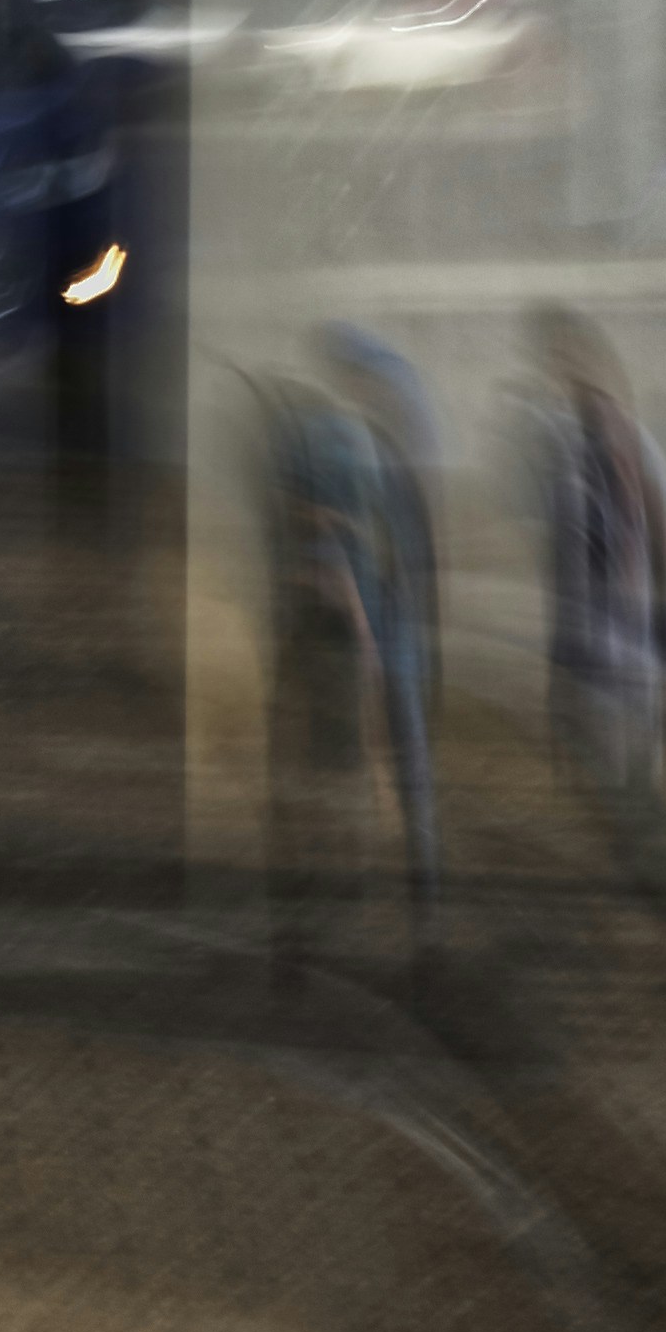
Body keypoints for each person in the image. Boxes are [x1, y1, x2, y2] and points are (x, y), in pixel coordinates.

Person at [262, 323, 444, 950]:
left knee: (400, 759)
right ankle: (341, 890)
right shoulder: (334, 445)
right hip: (350, 636)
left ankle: (416, 888)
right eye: (369, 380)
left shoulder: (385, 453)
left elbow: (410, 553)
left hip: (389, 632)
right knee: (346, 761)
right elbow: (315, 547)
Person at [524, 304, 666, 839]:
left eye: (573, 357)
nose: (563, 372)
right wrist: (557, 684)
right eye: (554, 359)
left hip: (631, 677)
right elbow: (562, 580)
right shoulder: (563, 458)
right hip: (584, 670)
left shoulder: (641, 456)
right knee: (598, 822)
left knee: (633, 823)